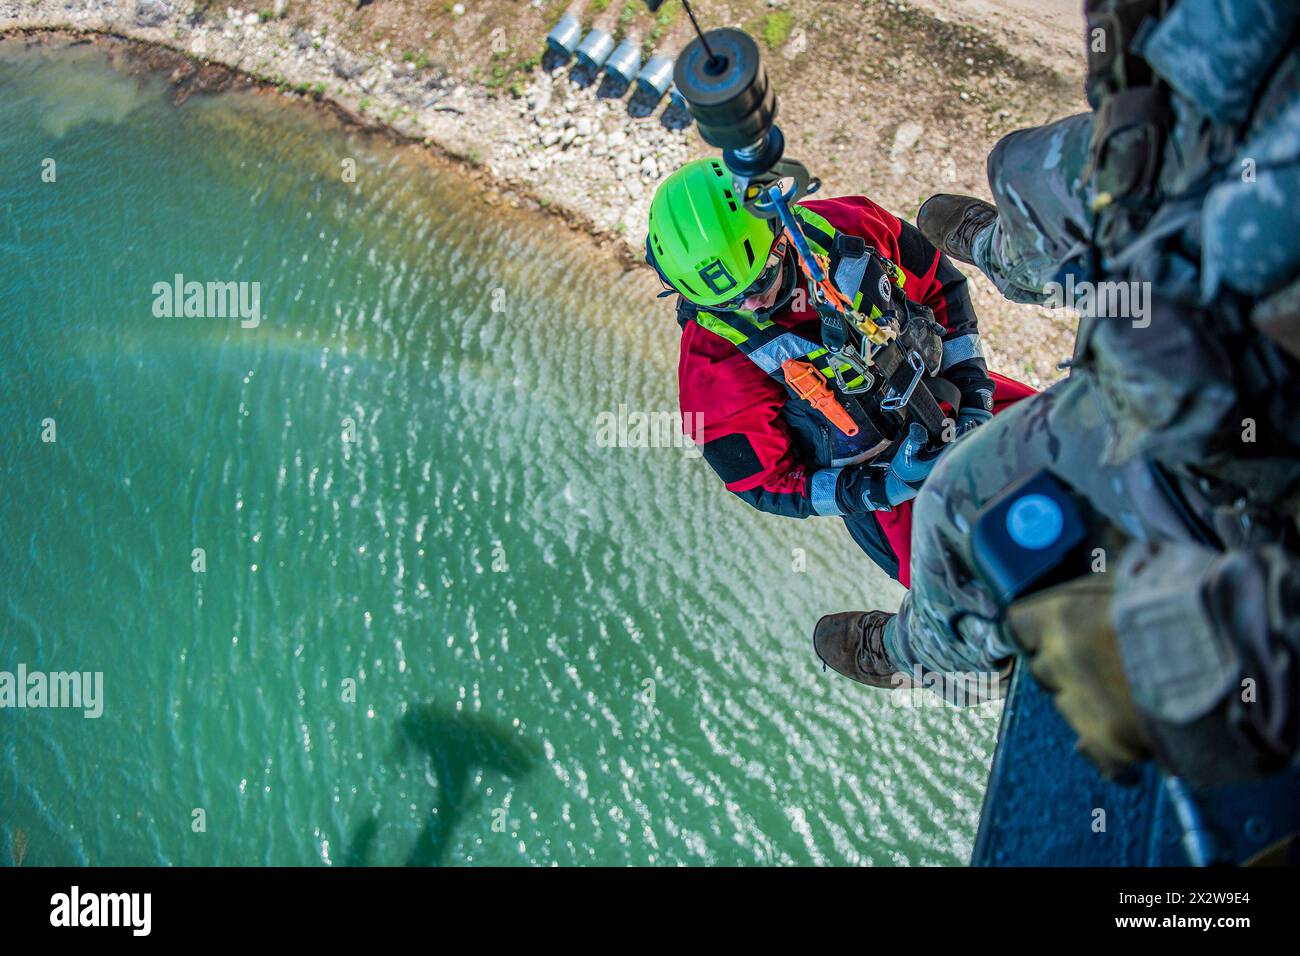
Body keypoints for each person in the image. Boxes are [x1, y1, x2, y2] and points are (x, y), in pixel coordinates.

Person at [841, 0, 1300, 785]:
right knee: (1055, 172)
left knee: (962, 511)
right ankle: (1010, 251)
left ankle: (928, 655)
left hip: (1245, 428)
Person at [645, 159, 1034, 609]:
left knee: (1096, 437)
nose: (751, 304)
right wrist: (882, 487)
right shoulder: (712, 367)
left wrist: (975, 394)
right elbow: (765, 484)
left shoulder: (847, 229)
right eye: (730, 300)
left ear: (779, 232)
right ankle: (901, 651)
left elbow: (942, 289)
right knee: (983, 602)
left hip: (951, 396)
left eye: (762, 280)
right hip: (891, 491)